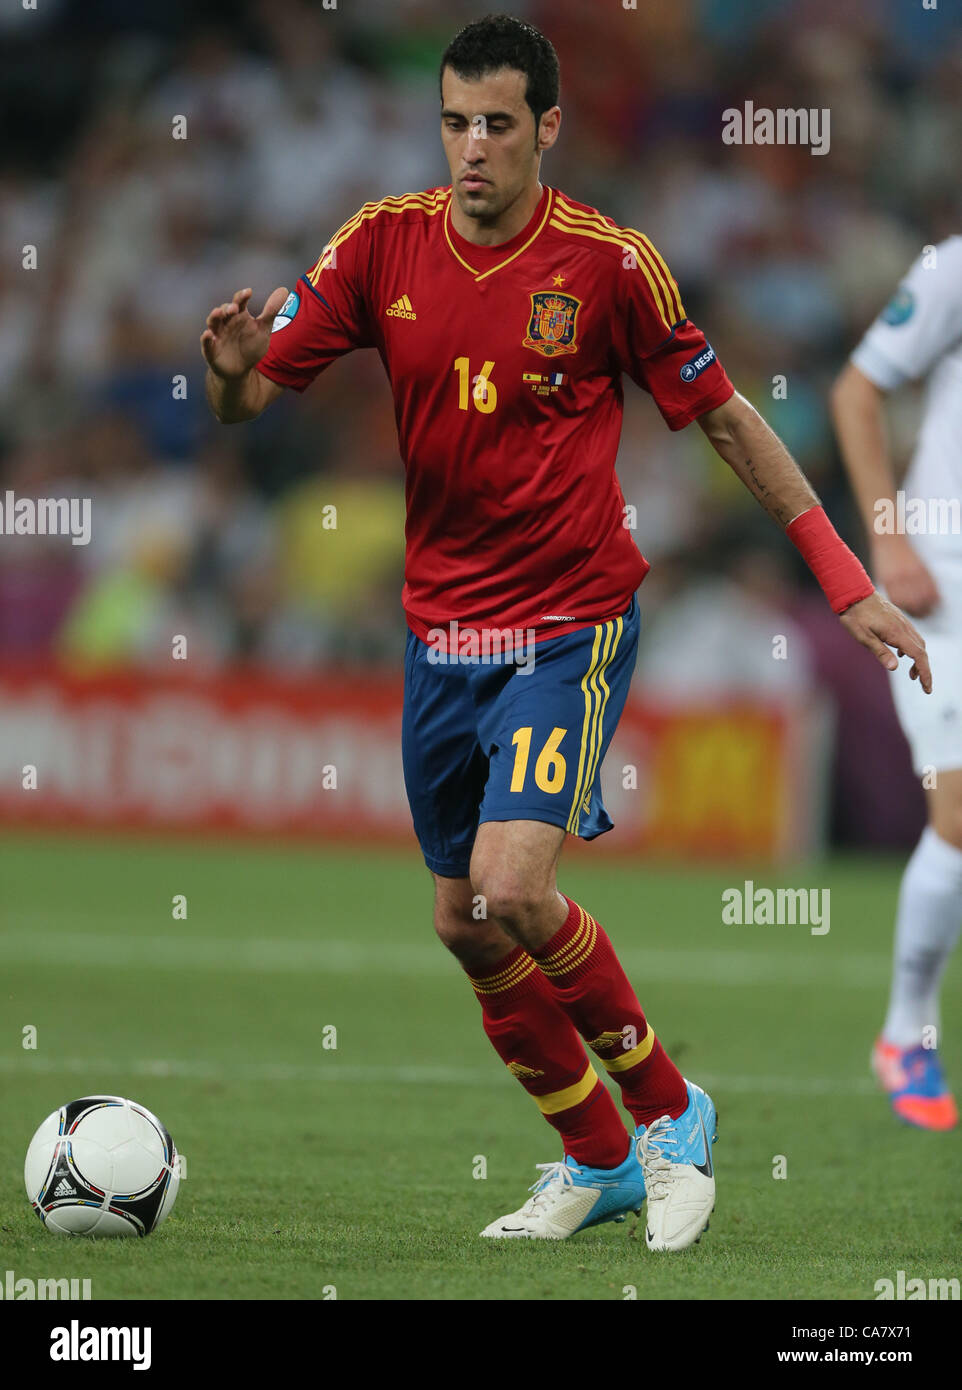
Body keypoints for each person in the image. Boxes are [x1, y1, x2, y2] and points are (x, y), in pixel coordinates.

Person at [201, 14, 930, 1248]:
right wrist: (225, 371)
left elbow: (726, 421)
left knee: (509, 883)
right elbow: (251, 396)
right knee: (460, 920)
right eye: (453, 123)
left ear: (546, 126)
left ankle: (668, 1111)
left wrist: (842, 574)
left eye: (495, 124)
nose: (470, 148)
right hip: (441, 638)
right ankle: (594, 1157)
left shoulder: (608, 266)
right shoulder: (380, 246)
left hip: (567, 622)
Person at [832, 237, 961, 1131]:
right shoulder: (952, 268)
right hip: (940, 590)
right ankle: (905, 1031)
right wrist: (888, 537)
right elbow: (856, 390)